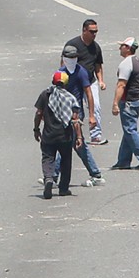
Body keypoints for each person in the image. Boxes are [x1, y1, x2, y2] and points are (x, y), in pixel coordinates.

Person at [34, 70, 82, 198]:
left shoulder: (46, 94)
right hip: (65, 136)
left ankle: (49, 178)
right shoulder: (70, 98)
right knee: (66, 161)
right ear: (66, 83)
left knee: (48, 158)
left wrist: (36, 129)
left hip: (49, 135)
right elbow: (75, 120)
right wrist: (79, 136)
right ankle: (63, 188)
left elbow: (38, 113)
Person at [110, 37, 139, 170]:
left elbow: (121, 85)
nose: (120, 48)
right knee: (128, 130)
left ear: (128, 48)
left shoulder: (126, 64)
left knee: (130, 130)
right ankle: (123, 161)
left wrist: (115, 104)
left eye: (122, 46)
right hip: (137, 102)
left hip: (128, 102)